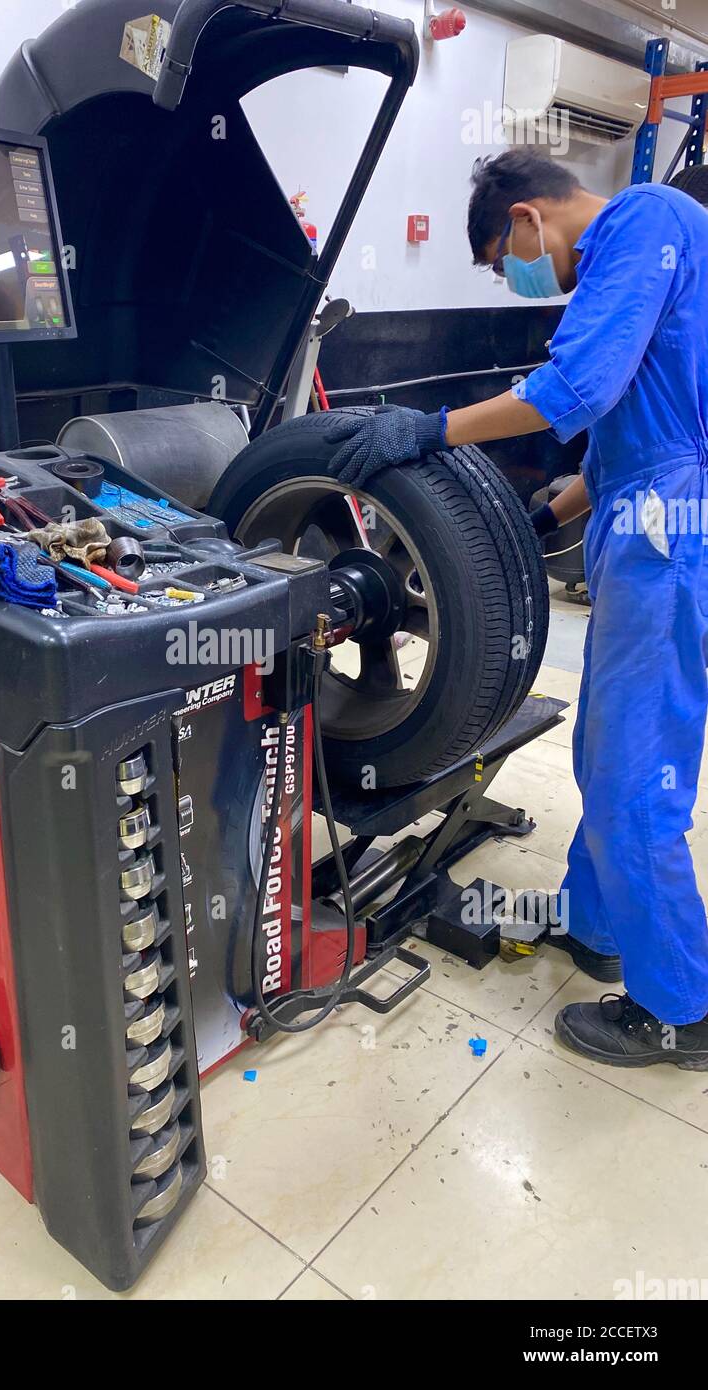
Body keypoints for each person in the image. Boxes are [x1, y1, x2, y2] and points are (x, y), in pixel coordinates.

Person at [324, 149, 708, 1069]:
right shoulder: (648, 245)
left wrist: (431, 428)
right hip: (651, 514)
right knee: (611, 750)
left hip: (669, 537)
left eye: (504, 260)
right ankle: (597, 923)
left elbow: (572, 394)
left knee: (633, 770)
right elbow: (622, 445)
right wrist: (538, 513)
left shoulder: (643, 221)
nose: (515, 277)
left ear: (529, 217)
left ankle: (680, 1011)